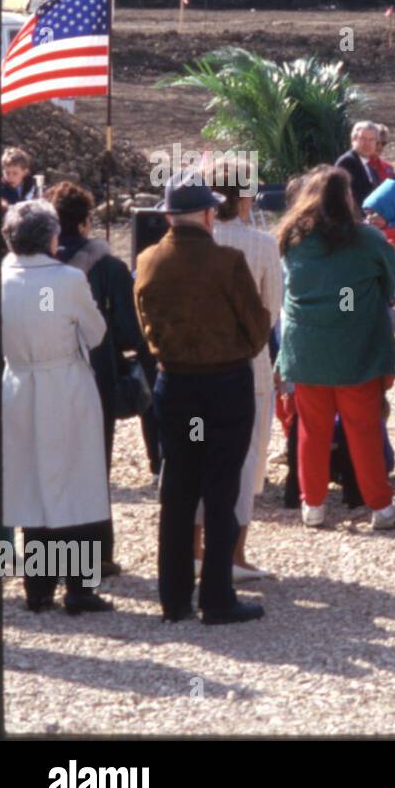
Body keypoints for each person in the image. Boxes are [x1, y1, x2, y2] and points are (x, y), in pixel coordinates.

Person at [134, 169, 271, 625]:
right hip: (225, 388)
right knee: (220, 489)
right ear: (208, 214)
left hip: (175, 386)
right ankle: (216, 596)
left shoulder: (149, 261)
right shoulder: (228, 262)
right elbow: (256, 330)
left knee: (177, 489)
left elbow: (145, 325)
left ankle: (173, 598)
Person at [276, 165, 395, 531]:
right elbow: (390, 286)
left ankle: (313, 504)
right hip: (357, 349)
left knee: (311, 427)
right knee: (364, 428)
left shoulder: (291, 237)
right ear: (347, 198)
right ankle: (382, 507)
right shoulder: (369, 240)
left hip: (306, 349)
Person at [2, 200, 114, 614]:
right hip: (65, 383)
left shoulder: (3, 277)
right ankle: (80, 589)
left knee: (31, 482)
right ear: (50, 237)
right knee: (76, 482)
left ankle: (39, 587)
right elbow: (96, 332)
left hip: (19, 382)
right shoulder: (67, 279)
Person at [47, 181, 147, 579]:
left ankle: (48, 564)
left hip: (44, 378)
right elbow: (127, 331)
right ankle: (95, 557)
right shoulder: (109, 267)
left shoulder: (31, 267)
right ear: (87, 222)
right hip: (95, 380)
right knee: (91, 468)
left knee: (49, 468)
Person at [189, 172, 284, 580]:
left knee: (197, 455)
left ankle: (194, 548)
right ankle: (233, 552)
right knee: (245, 459)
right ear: (243, 200)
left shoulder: (195, 243)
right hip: (249, 359)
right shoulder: (262, 246)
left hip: (196, 360)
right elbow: (273, 309)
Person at [335, 120, 384, 209]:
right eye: (363, 138)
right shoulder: (347, 162)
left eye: (371, 139)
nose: (367, 144)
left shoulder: (370, 169)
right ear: (353, 140)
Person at [361, 177, 395, 252]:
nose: (369, 218)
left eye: (372, 213)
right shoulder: (364, 234)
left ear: (390, 212)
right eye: (366, 214)